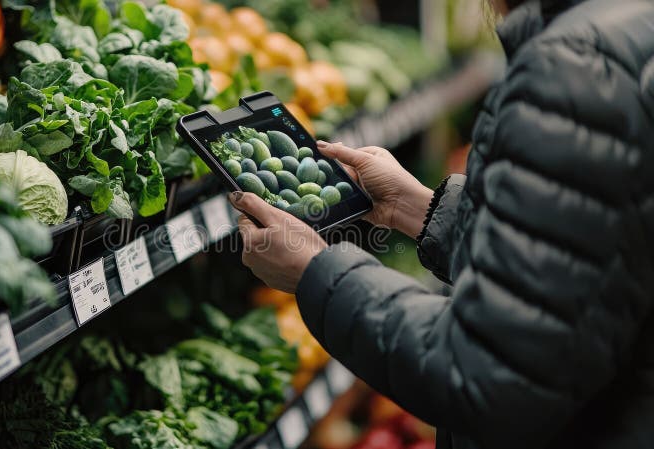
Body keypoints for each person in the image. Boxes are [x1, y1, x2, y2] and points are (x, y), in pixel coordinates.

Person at [227, 0, 654, 448]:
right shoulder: (628, 28)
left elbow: (487, 373)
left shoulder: (575, 63)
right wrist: (416, 208)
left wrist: (315, 271)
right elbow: (582, 259)